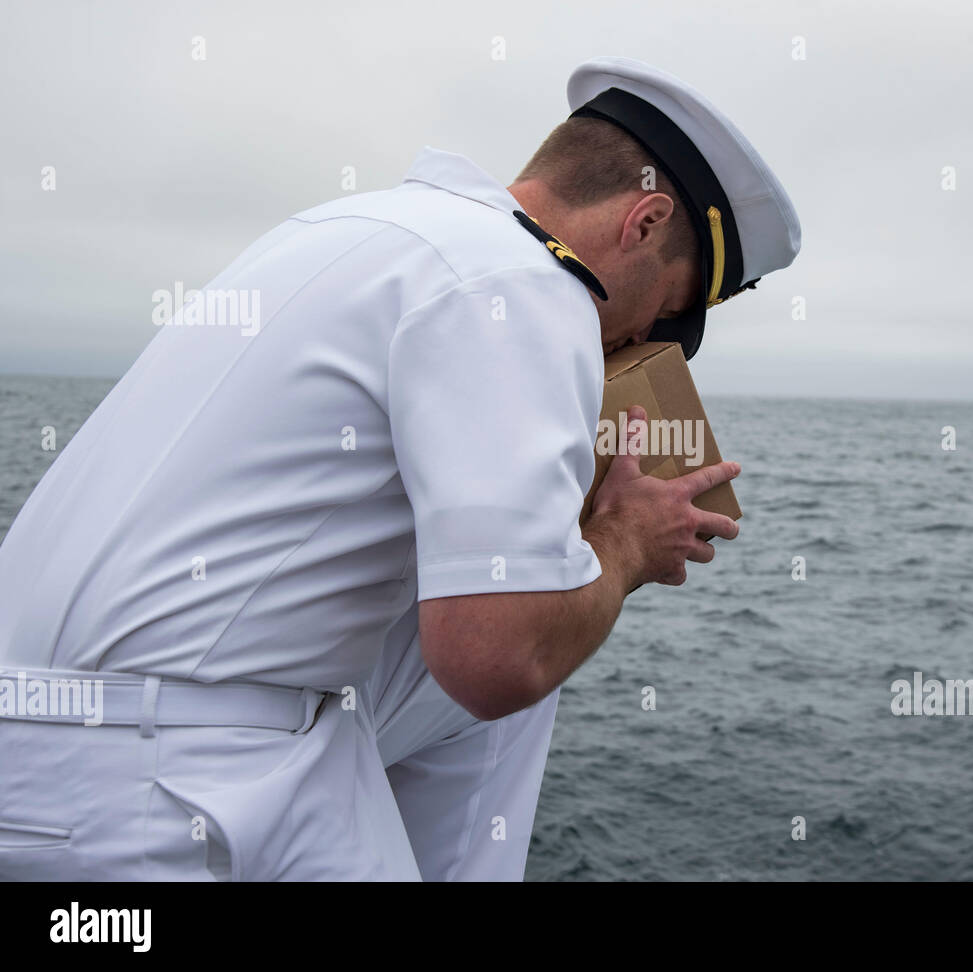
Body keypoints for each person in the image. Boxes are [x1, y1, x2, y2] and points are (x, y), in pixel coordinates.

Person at [0, 56, 800, 880]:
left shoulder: (356, 231)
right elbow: (494, 658)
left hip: (67, 730)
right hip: (159, 785)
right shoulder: (522, 286)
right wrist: (625, 542)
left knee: (529, 611)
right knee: (529, 633)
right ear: (645, 221)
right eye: (668, 309)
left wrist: (561, 534)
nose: (641, 345)